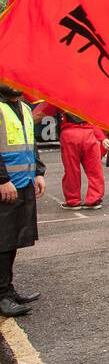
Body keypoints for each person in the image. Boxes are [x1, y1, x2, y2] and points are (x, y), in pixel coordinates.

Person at [0, 86, 45, 318]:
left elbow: (31, 144)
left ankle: (7, 289)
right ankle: (2, 295)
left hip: (23, 181)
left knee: (13, 240)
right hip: (6, 185)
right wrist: (1, 179)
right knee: (3, 242)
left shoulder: (25, 108)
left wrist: (38, 172)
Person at [57, 110, 105, 210]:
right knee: (95, 170)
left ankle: (73, 200)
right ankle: (94, 199)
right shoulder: (90, 97)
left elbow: (43, 112)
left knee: (71, 170)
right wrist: (102, 137)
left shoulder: (60, 97)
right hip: (90, 132)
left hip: (70, 133)